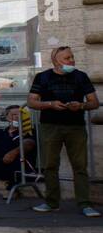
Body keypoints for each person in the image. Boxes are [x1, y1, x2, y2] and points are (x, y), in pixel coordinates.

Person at [28, 45, 99, 216]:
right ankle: (52, 202)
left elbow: (94, 102)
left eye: (72, 57)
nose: (72, 60)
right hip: (50, 126)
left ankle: (85, 204)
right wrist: (50, 104)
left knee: (80, 166)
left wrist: (81, 105)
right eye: (67, 58)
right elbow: (31, 102)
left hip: (76, 127)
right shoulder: (42, 77)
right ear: (56, 61)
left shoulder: (81, 76)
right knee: (50, 165)